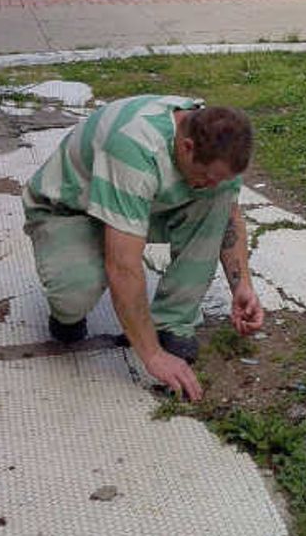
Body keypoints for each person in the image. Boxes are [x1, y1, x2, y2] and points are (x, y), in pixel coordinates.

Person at [23, 96, 264, 402]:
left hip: (138, 201)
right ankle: (67, 312)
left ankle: (173, 321)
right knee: (75, 293)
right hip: (70, 209)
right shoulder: (134, 146)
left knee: (215, 198)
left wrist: (242, 286)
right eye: (208, 176)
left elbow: (228, 214)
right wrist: (152, 356)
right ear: (187, 147)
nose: (212, 183)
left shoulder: (216, 149)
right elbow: (123, 266)